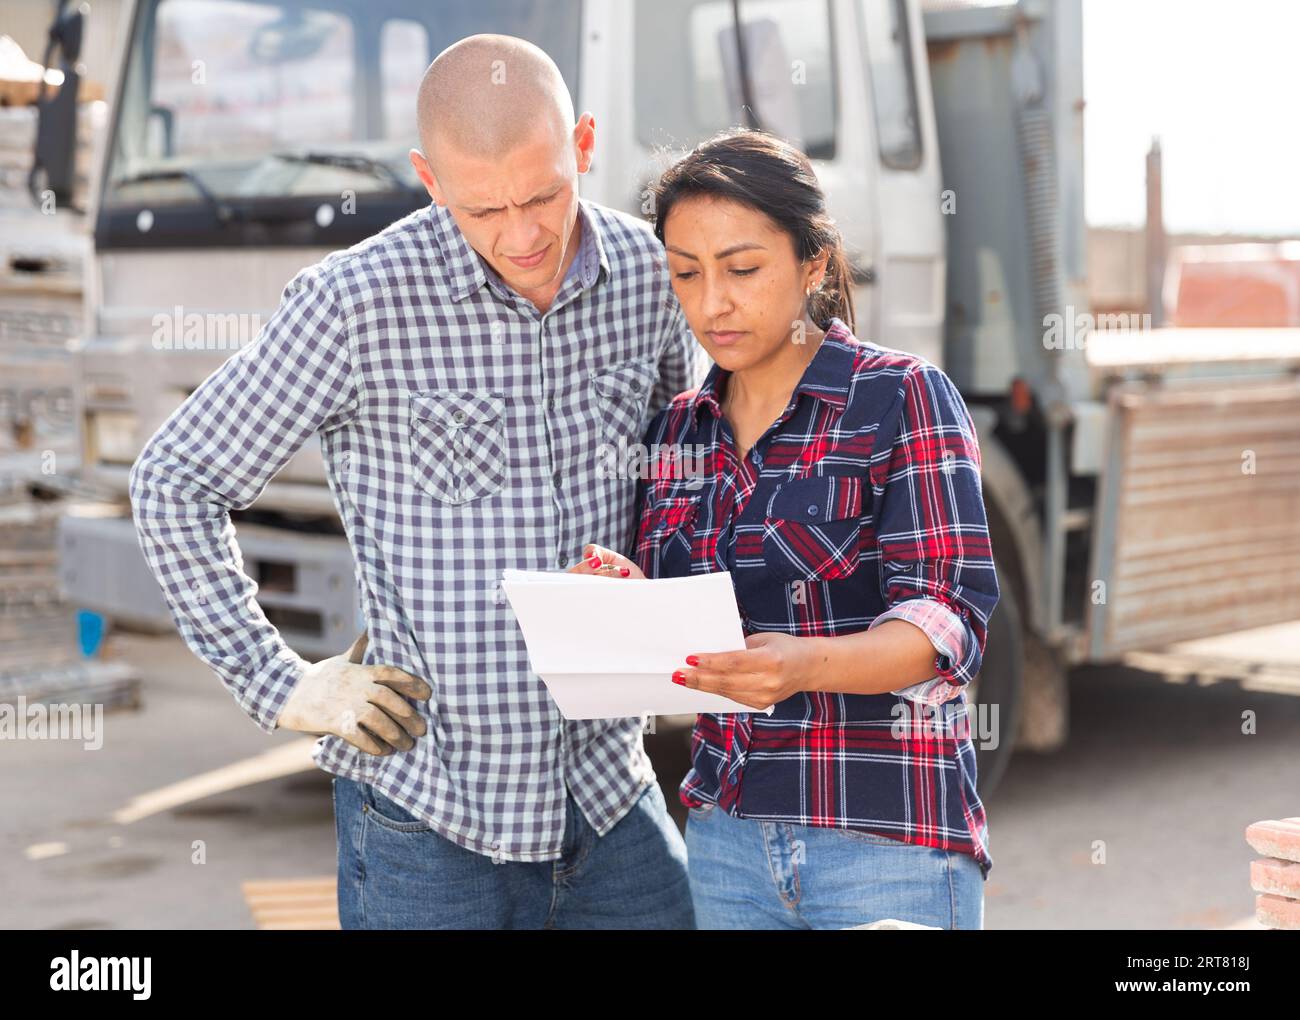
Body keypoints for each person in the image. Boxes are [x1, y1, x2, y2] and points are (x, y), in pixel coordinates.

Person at [128, 34, 703, 929]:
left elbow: (683, 477)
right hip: (429, 823)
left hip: (611, 800)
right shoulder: (354, 305)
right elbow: (174, 479)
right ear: (429, 181)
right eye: (483, 209)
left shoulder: (649, 275)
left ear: (583, 146)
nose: (522, 235)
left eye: (545, 194)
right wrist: (277, 683)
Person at [572, 129, 1000, 930]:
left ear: (811, 262)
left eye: (741, 270)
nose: (711, 303)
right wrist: (623, 600)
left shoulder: (901, 397)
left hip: (885, 844)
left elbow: (949, 620)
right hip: (726, 844)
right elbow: (686, 622)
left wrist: (805, 665)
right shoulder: (677, 432)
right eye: (685, 274)